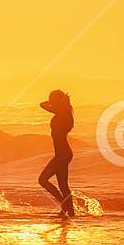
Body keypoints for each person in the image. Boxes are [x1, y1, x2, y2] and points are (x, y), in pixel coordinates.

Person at [38, 89, 76, 217]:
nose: (50, 102)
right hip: (62, 154)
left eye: (52, 99)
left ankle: (65, 205)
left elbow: (42, 105)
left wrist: (57, 100)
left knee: (42, 180)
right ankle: (70, 211)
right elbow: (42, 105)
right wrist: (57, 100)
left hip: (63, 154)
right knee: (63, 185)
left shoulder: (62, 113)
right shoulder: (63, 112)